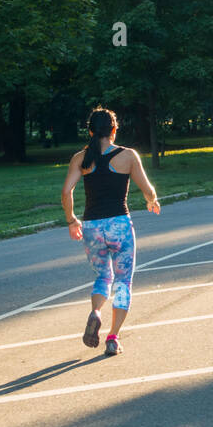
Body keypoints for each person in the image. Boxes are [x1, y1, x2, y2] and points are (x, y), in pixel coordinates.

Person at [62, 108, 161, 356]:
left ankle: (96, 312)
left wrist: (72, 220)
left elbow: (66, 192)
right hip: (119, 226)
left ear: (90, 131)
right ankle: (113, 338)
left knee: (102, 277)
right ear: (114, 130)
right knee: (123, 281)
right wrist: (152, 201)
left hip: (92, 226)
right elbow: (147, 190)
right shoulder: (127, 156)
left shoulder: (80, 158)